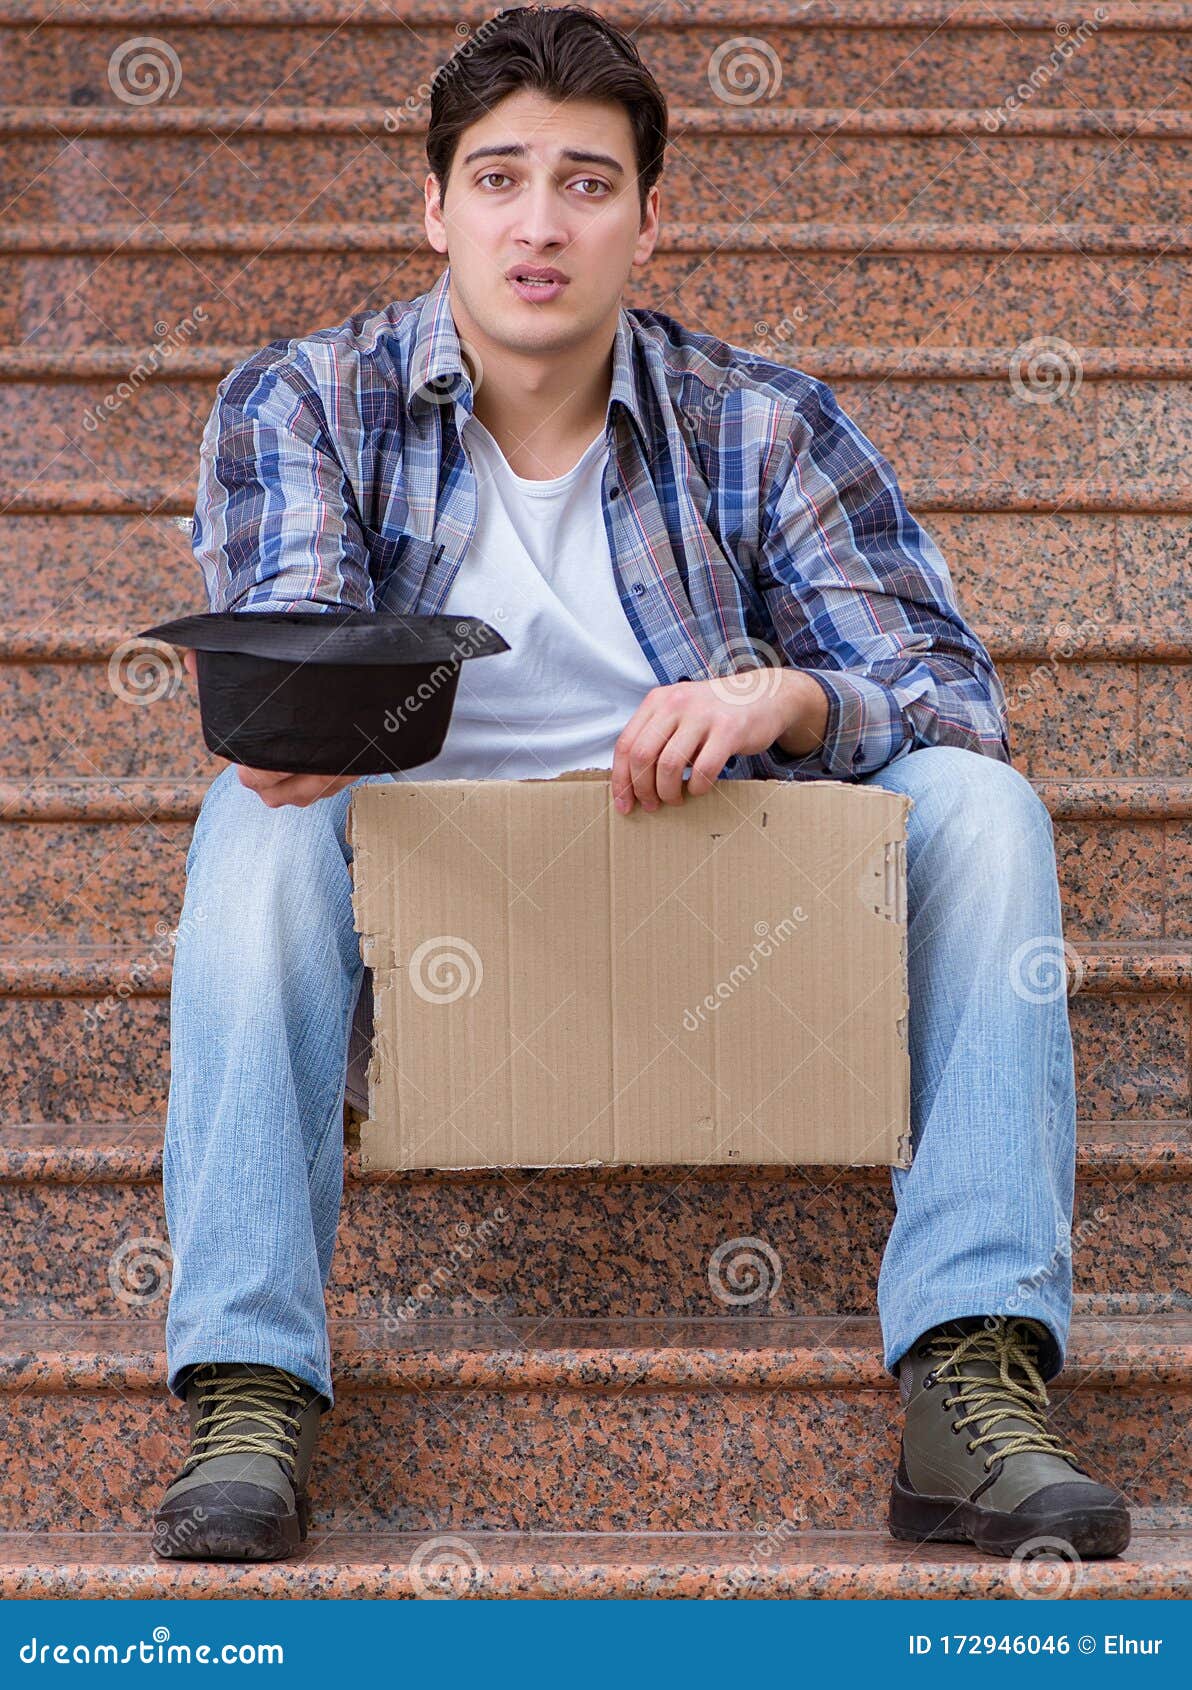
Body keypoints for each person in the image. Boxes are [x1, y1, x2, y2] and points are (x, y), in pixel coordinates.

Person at [153, 3, 1130, 1563]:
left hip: (708, 875)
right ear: (434, 208)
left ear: (651, 221)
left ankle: (969, 1377)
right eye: (497, 178)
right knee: (249, 829)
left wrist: (784, 696)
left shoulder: (760, 419)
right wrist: (295, 717)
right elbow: (302, 657)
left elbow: (954, 703)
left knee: (985, 813)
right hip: (430, 898)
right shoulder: (307, 401)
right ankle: (253, 1382)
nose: (539, 225)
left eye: (589, 184)